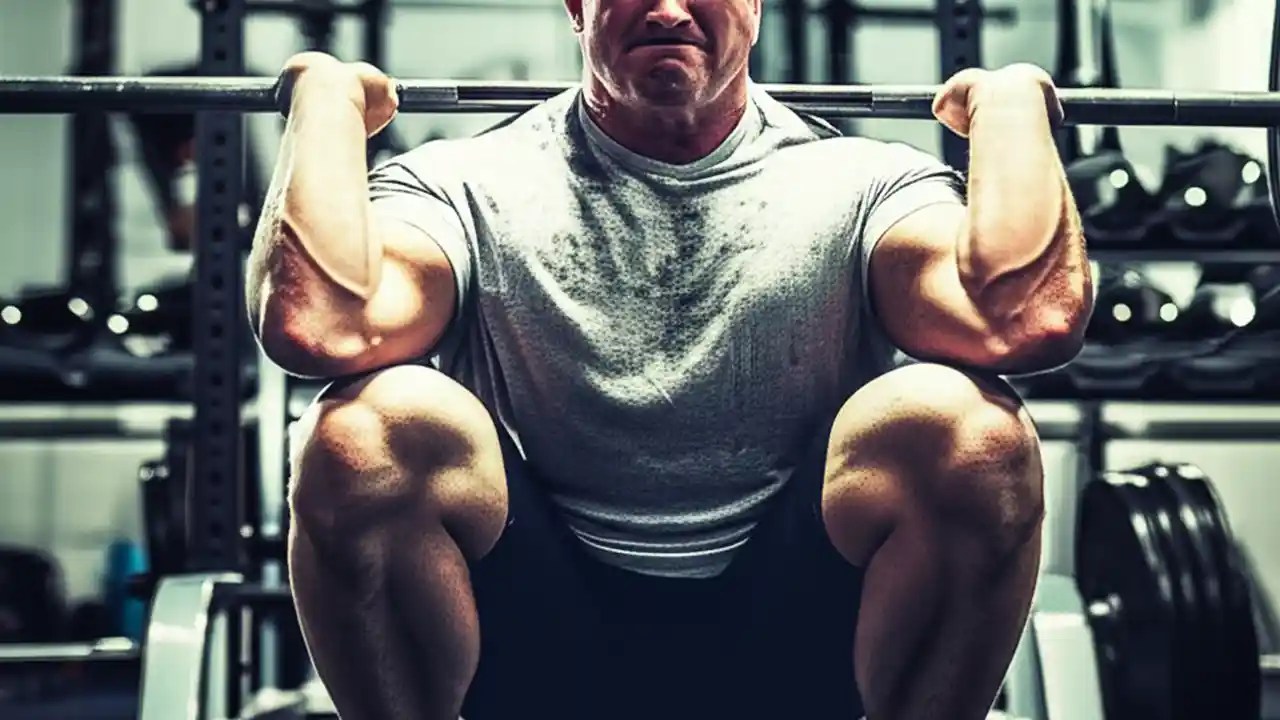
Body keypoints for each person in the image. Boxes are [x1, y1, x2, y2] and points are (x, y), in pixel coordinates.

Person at [247, 0, 1093, 718]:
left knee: (970, 429)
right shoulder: (468, 183)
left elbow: (1021, 319)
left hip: (800, 633)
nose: (667, 6)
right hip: (535, 636)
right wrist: (325, 102)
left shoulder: (859, 181)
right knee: (365, 430)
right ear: (576, 7)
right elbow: (323, 323)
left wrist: (1011, 106)